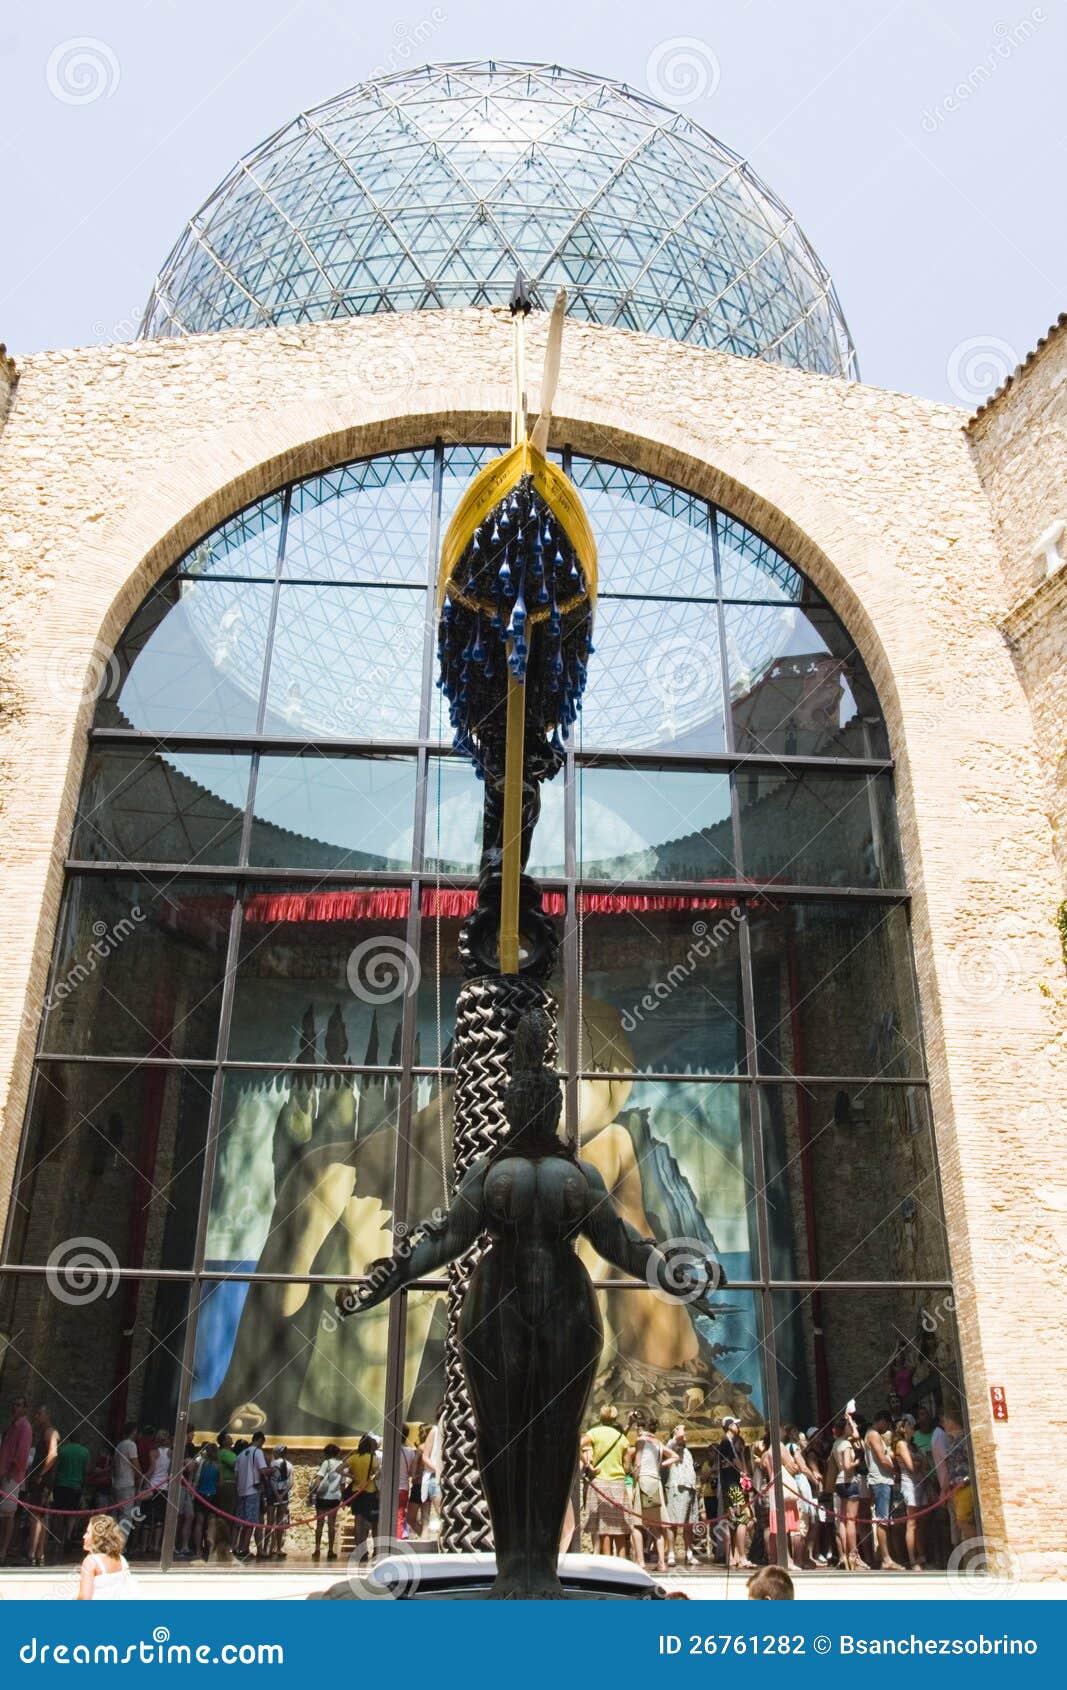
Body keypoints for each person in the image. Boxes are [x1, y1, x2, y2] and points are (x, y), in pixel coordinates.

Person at [626, 1416, 676, 1574]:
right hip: (656, 1482)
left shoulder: (641, 1440)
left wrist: (634, 1484)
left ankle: (641, 1562)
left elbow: (637, 1464)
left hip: (644, 1480)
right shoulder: (659, 1443)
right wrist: (661, 1465)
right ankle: (662, 1562)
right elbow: (675, 1456)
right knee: (657, 1526)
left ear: (643, 1428)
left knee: (636, 1524)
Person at [580, 1405, 631, 1558]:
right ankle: (622, 1563)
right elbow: (627, 1467)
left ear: (600, 1417)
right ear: (615, 1418)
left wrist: (588, 1464)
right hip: (618, 1484)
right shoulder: (622, 1438)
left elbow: (578, 1445)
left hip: (599, 1483)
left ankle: (607, 1564)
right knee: (620, 1529)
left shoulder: (594, 1433)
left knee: (604, 1529)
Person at [864, 1409, 904, 1570]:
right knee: (882, 1520)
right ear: (881, 1421)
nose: (887, 1428)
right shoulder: (873, 1434)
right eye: (887, 1424)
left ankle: (889, 1556)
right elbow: (882, 1459)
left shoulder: (875, 1435)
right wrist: (896, 1472)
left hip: (884, 1481)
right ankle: (886, 1559)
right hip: (880, 1481)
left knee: (886, 1519)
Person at [829, 1414, 866, 1572]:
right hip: (849, 1481)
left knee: (843, 1521)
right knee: (851, 1521)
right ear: (844, 1429)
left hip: (839, 1482)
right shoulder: (846, 1444)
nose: (852, 1427)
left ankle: (844, 1555)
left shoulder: (836, 1443)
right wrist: (856, 1462)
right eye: (849, 1425)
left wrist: (849, 1419)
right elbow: (846, 1465)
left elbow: (856, 1434)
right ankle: (853, 1555)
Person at [716, 1417, 754, 1570]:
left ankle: (733, 1556)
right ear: (730, 1426)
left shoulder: (727, 1443)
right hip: (733, 1485)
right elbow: (735, 1462)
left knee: (732, 1520)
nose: (738, 1427)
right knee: (741, 1518)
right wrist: (743, 1473)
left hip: (729, 1485)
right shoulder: (727, 1442)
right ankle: (742, 1556)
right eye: (736, 1424)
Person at [0, 1395, 32, 1564]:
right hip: (4, 1473)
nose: (15, 1408)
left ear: (25, 1408)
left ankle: (3, 1550)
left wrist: (10, 1472)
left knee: (8, 1514)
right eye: (14, 1404)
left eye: (19, 1405)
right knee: (3, 1513)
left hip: (11, 1476)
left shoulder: (24, 1427)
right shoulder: (13, 1426)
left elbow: (22, 1453)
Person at [26, 1406, 59, 1568]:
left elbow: (53, 1454)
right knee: (41, 1516)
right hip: (44, 1481)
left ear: (47, 1415)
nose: (36, 1416)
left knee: (37, 1516)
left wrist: (41, 1474)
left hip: (42, 1481)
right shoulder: (46, 1432)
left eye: (39, 1414)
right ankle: (39, 1553)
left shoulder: (49, 1432)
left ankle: (33, 1553)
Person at [77, 1512, 136, 1600]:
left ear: (97, 1537)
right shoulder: (121, 1560)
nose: (84, 1536)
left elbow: (85, 1598)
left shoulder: (91, 1561)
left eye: (88, 1532)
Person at [664, 1425, 699, 1568]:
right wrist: (679, 1430)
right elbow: (675, 1439)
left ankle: (689, 1553)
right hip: (678, 1488)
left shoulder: (687, 1451)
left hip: (690, 1488)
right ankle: (671, 1554)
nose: (685, 1436)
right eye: (682, 1433)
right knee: (672, 1523)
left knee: (689, 1524)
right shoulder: (672, 1447)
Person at [892, 1417, 925, 1569]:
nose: (913, 1426)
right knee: (911, 1523)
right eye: (909, 1424)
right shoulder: (901, 1444)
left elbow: (924, 1464)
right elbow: (911, 1467)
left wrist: (919, 1464)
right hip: (909, 1485)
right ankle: (912, 1559)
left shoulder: (914, 1446)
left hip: (920, 1484)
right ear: (903, 1428)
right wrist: (919, 1464)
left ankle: (921, 1554)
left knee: (920, 1522)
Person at [52, 1430, 91, 1557]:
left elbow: (56, 1468)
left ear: (69, 1439)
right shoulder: (85, 1452)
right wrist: (83, 1486)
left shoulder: (62, 1450)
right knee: (72, 1513)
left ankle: (57, 1538)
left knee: (58, 1512)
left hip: (61, 1484)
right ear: (80, 1440)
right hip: (75, 1486)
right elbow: (86, 1471)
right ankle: (67, 1536)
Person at [234, 1430, 267, 1560]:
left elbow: (236, 1474)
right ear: (260, 1440)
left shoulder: (241, 1454)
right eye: (262, 1443)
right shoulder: (257, 1452)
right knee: (250, 1522)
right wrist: (270, 1471)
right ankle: (244, 1548)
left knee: (241, 1521)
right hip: (252, 1490)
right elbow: (263, 1470)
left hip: (241, 1491)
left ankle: (237, 1546)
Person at [311, 1443, 345, 1560]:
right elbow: (342, 1484)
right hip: (335, 1498)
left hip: (323, 1497)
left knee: (319, 1524)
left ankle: (317, 1549)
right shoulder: (342, 1464)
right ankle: (330, 1550)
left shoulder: (327, 1463)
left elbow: (319, 1478)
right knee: (331, 1524)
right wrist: (343, 1498)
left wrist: (313, 1493)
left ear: (327, 1453)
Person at [347, 1433, 381, 1549]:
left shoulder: (354, 1457)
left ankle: (359, 1549)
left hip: (356, 1492)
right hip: (370, 1492)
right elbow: (378, 1475)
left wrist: (353, 1477)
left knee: (358, 1522)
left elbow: (339, 1469)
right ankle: (370, 1549)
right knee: (368, 1521)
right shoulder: (373, 1458)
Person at [145, 1429, 172, 1559]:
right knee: (160, 1518)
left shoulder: (153, 1452)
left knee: (147, 1516)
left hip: (152, 1485)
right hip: (164, 1487)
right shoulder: (170, 1453)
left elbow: (152, 1469)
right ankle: (156, 1545)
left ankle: (145, 1544)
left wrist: (143, 1478)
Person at [192, 1442, 220, 1561]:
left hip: (200, 1494)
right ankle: (210, 1550)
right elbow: (220, 1482)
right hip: (212, 1495)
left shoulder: (200, 1463)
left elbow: (196, 1478)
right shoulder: (218, 1465)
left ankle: (198, 1550)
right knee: (211, 1525)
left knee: (199, 1523)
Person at [265, 1446, 293, 1559]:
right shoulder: (290, 1465)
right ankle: (278, 1548)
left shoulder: (272, 1464)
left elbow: (272, 1481)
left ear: (277, 1453)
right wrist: (282, 1495)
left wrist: (277, 1495)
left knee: (270, 1521)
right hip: (284, 1495)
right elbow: (291, 1483)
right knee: (280, 1521)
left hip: (273, 1494)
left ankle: (266, 1548)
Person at [214, 1431, 238, 1564]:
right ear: (223, 1441)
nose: (231, 1438)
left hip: (233, 1485)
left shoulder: (231, 1452)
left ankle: (228, 1544)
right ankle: (222, 1545)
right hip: (227, 1485)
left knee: (230, 1516)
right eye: (228, 1437)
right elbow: (236, 1465)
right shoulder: (223, 1453)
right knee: (226, 1515)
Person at [396, 1424, 418, 1540]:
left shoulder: (390, 1451)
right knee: (400, 1515)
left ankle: (396, 1541)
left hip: (391, 1488)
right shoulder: (410, 1452)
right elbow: (411, 1472)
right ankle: (400, 1539)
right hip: (403, 1487)